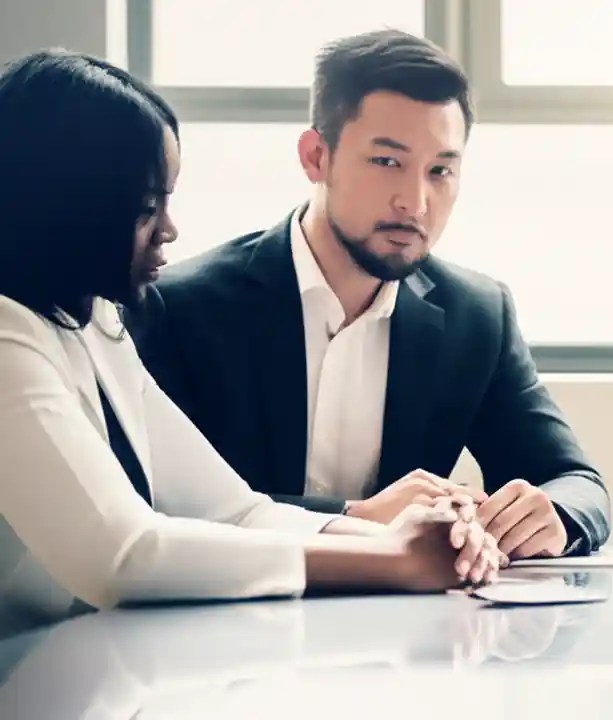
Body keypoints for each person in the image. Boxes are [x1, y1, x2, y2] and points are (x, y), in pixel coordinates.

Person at [0, 49, 500, 622]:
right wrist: (391, 559)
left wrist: (420, 539)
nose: (169, 228)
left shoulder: (93, 326)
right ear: (64, 206)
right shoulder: (6, 337)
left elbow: (234, 512)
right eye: (144, 207)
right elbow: (124, 556)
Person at [129, 30, 609, 559]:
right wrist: (352, 518)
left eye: (441, 171)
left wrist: (553, 515)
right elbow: (156, 502)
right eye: (387, 162)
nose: (416, 202)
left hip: (411, 629)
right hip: (229, 620)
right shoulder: (181, 309)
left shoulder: (477, 316)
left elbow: (575, 482)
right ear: (316, 157)